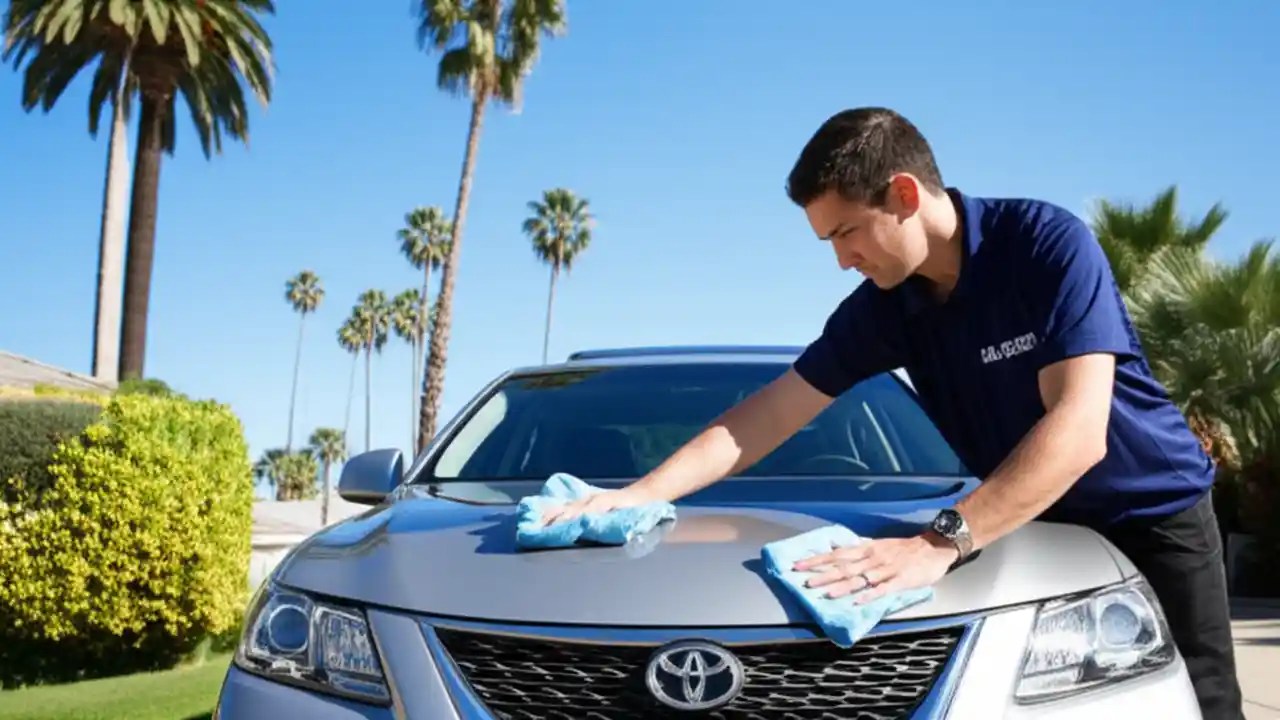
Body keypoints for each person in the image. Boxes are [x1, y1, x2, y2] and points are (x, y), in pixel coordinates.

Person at [538, 106, 1244, 719]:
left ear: (903, 194)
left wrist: (936, 543)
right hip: (1031, 521)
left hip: (1155, 517)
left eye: (846, 232)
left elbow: (1079, 430)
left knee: (1202, 705)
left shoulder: (1044, 246)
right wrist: (634, 495)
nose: (842, 259)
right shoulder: (885, 310)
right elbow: (762, 417)